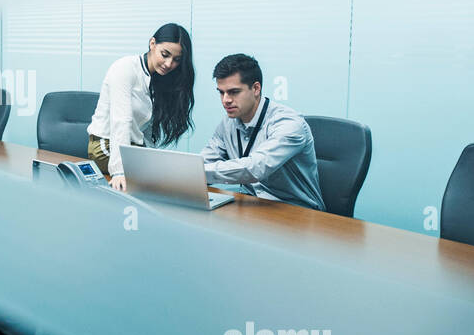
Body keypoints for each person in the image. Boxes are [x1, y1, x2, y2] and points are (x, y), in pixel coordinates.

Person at [202, 53, 325, 211]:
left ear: (256, 88)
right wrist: (185, 172)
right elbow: (205, 160)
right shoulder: (228, 123)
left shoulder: (289, 124)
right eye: (221, 92)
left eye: (233, 92)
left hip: (297, 212)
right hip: (254, 207)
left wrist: (199, 172)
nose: (225, 100)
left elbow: (255, 168)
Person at [86, 23, 195, 192]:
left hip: (132, 148)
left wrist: (152, 159)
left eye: (176, 60)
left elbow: (146, 131)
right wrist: (119, 172)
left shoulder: (158, 79)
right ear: (152, 44)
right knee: (157, 180)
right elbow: (121, 121)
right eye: (165, 54)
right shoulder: (125, 68)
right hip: (105, 147)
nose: (168, 64)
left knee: (172, 176)